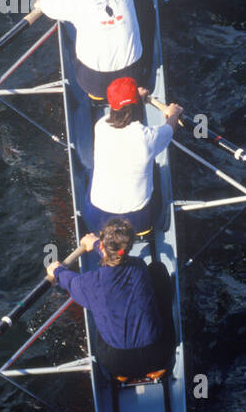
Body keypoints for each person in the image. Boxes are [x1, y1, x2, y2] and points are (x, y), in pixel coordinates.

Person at [45, 220, 172, 380]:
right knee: (158, 270)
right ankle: (154, 370)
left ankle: (122, 375)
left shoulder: (87, 283)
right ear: (129, 246)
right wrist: (97, 244)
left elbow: (67, 280)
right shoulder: (139, 267)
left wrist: (56, 270)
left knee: (100, 312)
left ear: (103, 246)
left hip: (116, 363)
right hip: (158, 356)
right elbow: (116, 254)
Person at [35, 0, 143, 100]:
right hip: (132, 76)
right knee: (144, 2)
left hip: (95, 83)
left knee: (71, 32)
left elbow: (42, 4)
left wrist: (41, 2)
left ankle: (96, 96)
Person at [86, 77, 182, 234]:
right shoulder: (148, 137)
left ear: (111, 105)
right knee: (155, 166)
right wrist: (173, 114)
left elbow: (126, 111)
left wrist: (136, 100)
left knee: (92, 170)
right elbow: (170, 127)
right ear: (137, 103)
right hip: (137, 220)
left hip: (96, 217)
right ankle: (152, 227)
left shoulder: (100, 126)